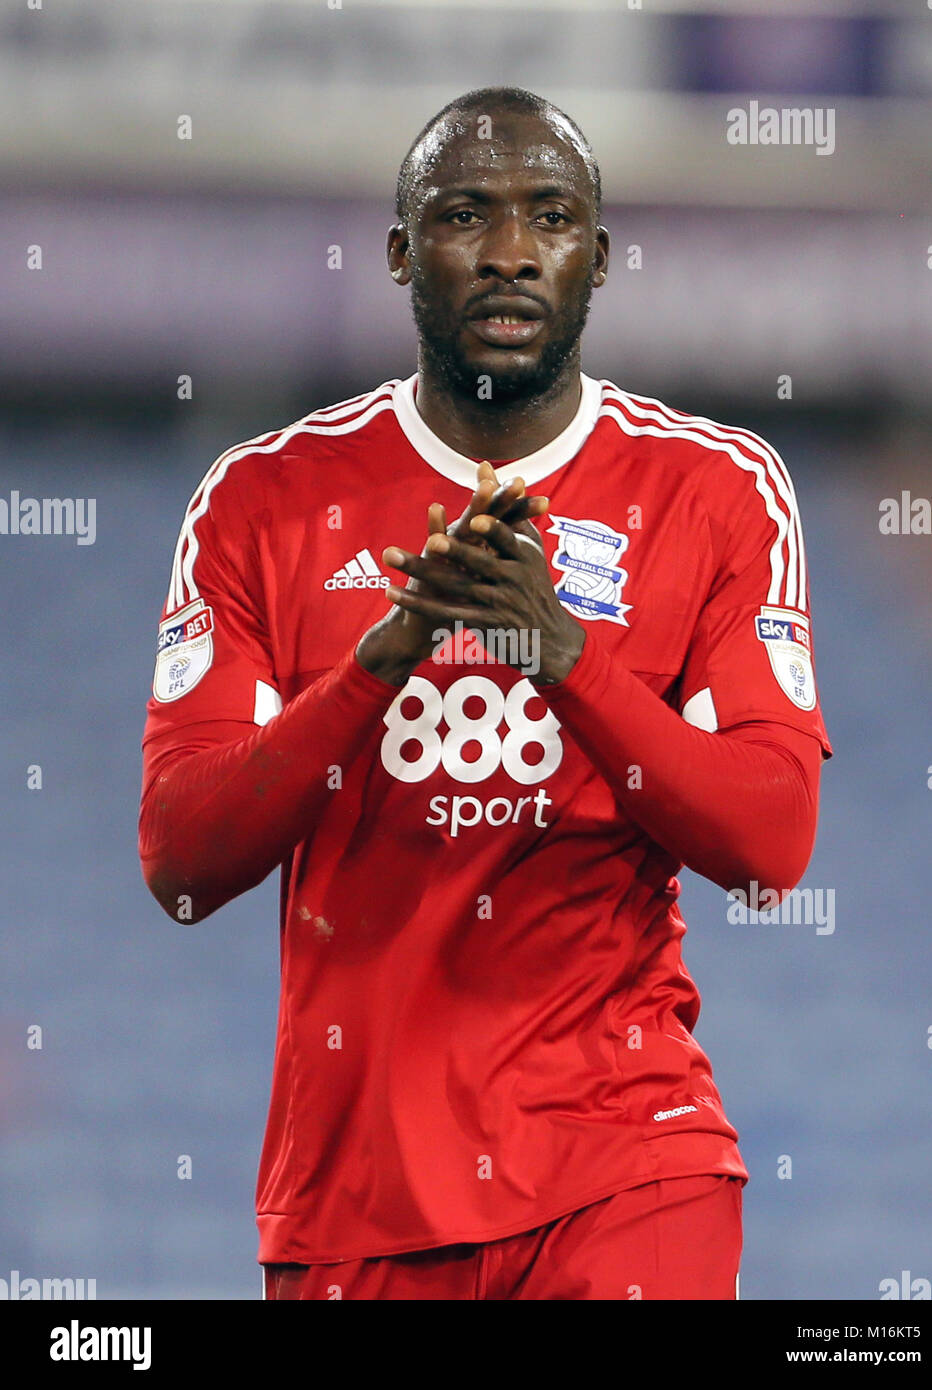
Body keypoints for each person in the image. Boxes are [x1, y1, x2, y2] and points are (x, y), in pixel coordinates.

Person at [139, 86, 831, 1301]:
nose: (510, 251)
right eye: (466, 214)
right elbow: (184, 861)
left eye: (549, 216)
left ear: (597, 260)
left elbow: (770, 842)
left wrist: (562, 655)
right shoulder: (260, 499)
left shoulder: (718, 490)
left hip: (624, 1156)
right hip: (357, 1189)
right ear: (403, 252)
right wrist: (383, 657)